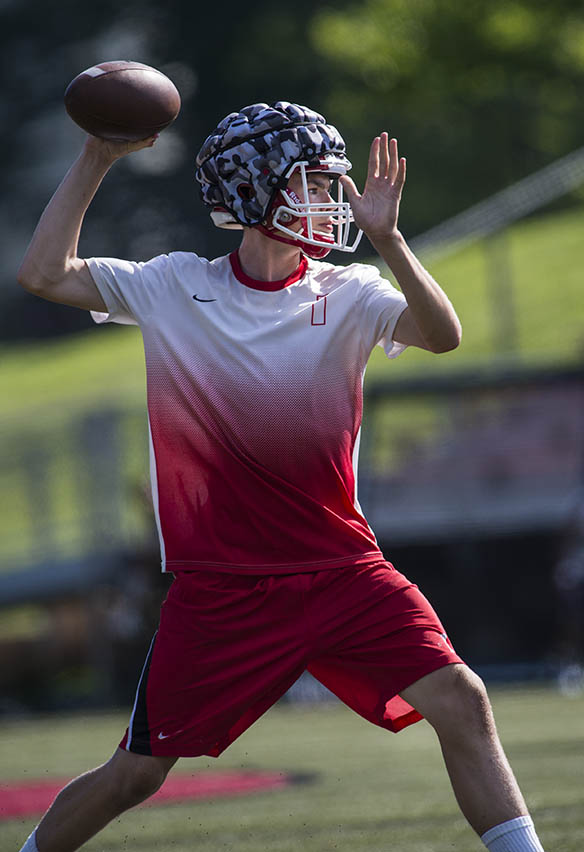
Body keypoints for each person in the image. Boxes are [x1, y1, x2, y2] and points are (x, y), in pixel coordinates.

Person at [17, 101, 546, 852]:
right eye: (312, 184)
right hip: (223, 589)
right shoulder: (172, 288)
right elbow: (43, 272)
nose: (332, 203)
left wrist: (391, 240)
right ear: (254, 191)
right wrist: (98, 156)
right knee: (136, 774)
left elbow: (442, 335)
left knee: (462, 698)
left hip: (342, 570)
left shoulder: (351, 290)